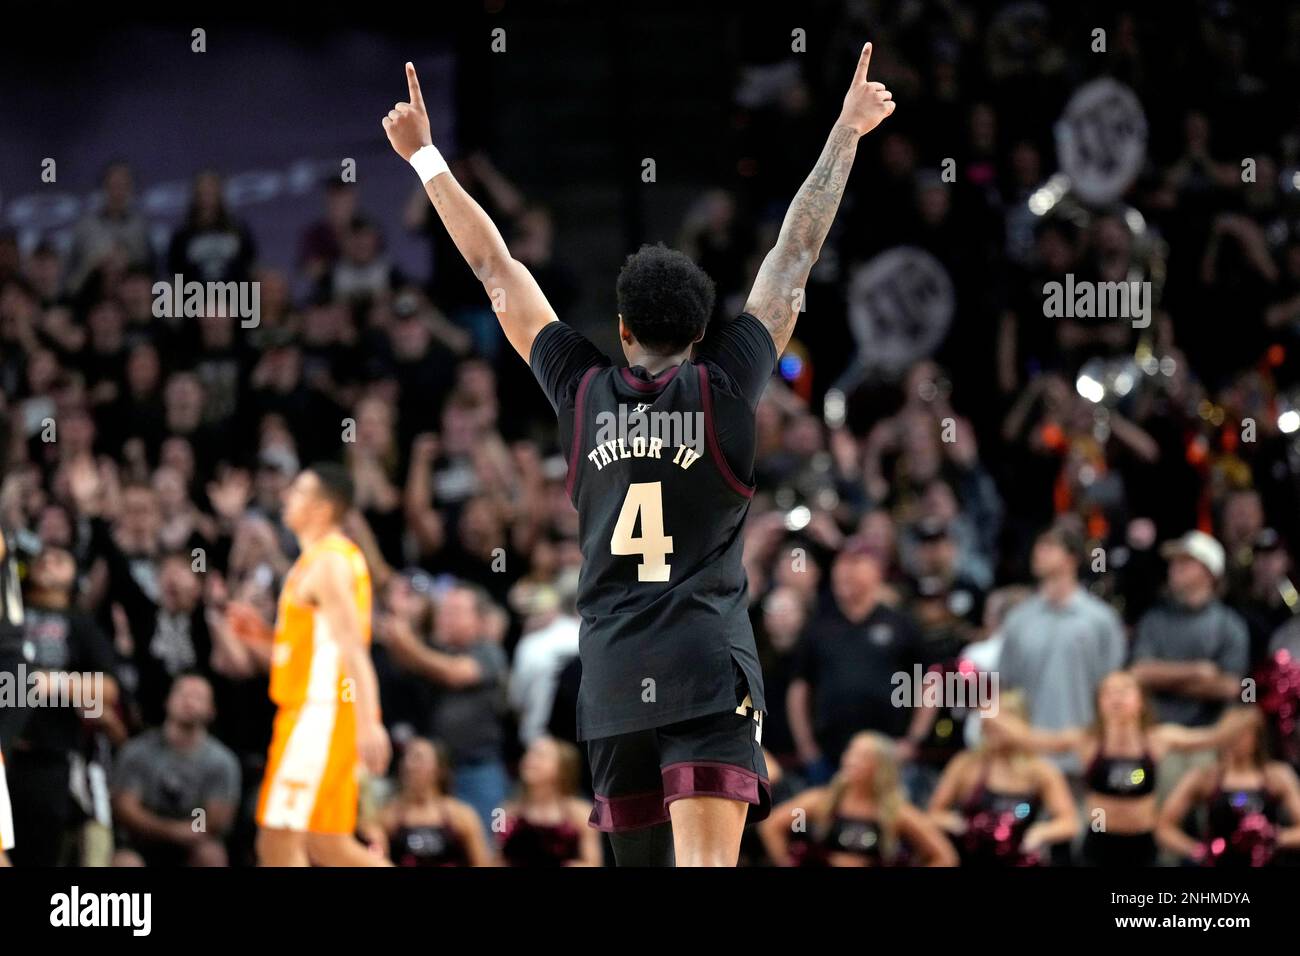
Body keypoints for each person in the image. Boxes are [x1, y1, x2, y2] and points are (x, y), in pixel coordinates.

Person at [381, 41, 895, 866]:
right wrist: (846, 131)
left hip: (616, 680)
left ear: (621, 329)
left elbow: (494, 268)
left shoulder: (581, 389)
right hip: (703, 668)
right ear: (700, 335)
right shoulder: (725, 387)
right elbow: (792, 260)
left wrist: (425, 156)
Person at [253, 464, 391, 866]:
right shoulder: (316, 559)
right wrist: (260, 637)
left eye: (297, 492)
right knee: (326, 844)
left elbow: (353, 646)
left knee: (277, 841)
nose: (286, 498)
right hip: (311, 712)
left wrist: (369, 723)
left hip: (322, 715)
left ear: (321, 508)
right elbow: (318, 647)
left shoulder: (329, 561)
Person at [990, 670, 1257, 866]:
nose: (1117, 697)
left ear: (1140, 701)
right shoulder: (1087, 742)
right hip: (1099, 839)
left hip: (1142, 843)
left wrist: (1254, 696)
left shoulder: (1158, 740)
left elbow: (1216, 737)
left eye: (1125, 690)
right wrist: (983, 703)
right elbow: (1027, 737)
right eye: (1109, 691)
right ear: (1099, 703)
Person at [786, 539, 930, 782]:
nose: (844, 572)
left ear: (876, 572)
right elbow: (799, 688)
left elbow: (928, 681)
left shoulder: (900, 623)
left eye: (854, 564)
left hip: (890, 755)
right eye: (840, 566)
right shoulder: (819, 626)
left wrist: (913, 739)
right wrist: (806, 747)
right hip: (830, 757)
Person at [996, 526, 1126, 776]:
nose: (1038, 553)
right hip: (1027, 759)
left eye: (1048, 547)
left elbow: (1114, 690)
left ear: (1071, 558)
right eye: (1038, 546)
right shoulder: (1018, 619)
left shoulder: (1101, 620)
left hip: (1084, 756)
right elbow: (1003, 688)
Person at [760, 731, 956, 867]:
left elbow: (945, 857)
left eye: (862, 756)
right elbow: (772, 825)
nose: (851, 760)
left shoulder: (897, 812)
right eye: (851, 752)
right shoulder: (822, 801)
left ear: (881, 768)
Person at [928, 693, 1078, 866]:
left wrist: (1040, 832)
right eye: (988, 722)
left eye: (999, 724)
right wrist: (953, 822)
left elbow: (1069, 823)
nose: (992, 728)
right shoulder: (966, 764)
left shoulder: (1040, 771)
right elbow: (933, 814)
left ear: (1018, 726)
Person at [111, 674, 241, 867]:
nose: (189, 701)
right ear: (168, 701)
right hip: (141, 842)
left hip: (193, 843)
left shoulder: (221, 762)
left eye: (198, 697)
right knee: (125, 862)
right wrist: (171, 831)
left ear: (211, 710)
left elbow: (216, 822)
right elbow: (126, 809)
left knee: (211, 855)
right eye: (182, 694)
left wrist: (191, 829)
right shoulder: (137, 752)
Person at [1157, 710, 1300, 866]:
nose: (1237, 741)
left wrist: (1274, 836)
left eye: (1243, 734)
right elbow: (1165, 826)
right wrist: (1198, 851)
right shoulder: (1206, 778)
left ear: (1257, 737)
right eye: (1232, 734)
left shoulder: (1276, 776)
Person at [367, 737, 492, 867]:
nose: (409, 765)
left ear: (439, 769)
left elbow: (482, 863)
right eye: (406, 758)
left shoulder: (461, 815)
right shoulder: (387, 817)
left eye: (418, 758)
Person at [499, 736, 601, 867]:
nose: (530, 760)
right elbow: (496, 860)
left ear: (562, 768)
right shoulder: (502, 811)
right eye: (529, 753)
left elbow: (593, 863)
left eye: (540, 756)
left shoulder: (582, 812)